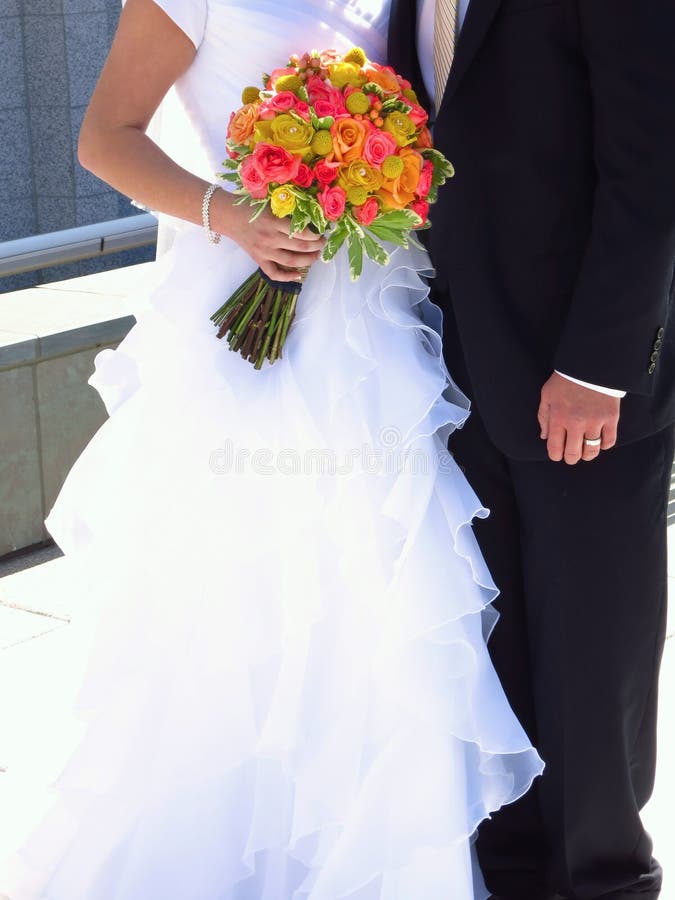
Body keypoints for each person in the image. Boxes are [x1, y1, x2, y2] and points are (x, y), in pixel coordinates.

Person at [0, 0, 544, 897]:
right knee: (247, 598)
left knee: (375, 597)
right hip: (244, 338)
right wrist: (234, 215)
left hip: (371, 330)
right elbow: (105, 137)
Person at [387, 1, 675, 898]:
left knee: (593, 657)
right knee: (492, 649)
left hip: (579, 378)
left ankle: (606, 879)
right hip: (448, 359)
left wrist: (598, 364)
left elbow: (654, 163)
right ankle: (510, 873)